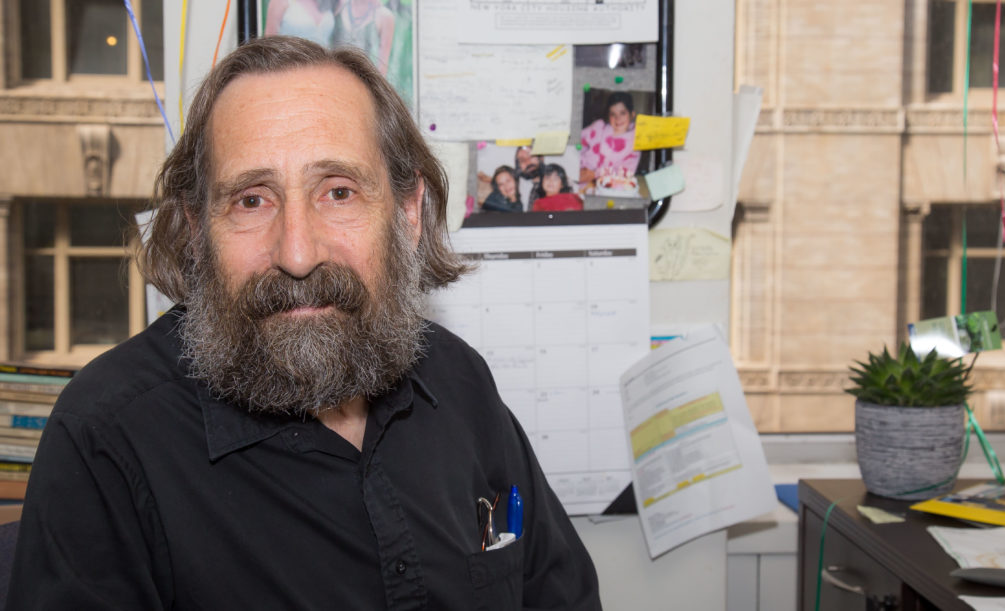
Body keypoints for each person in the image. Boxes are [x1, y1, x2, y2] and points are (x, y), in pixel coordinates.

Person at [7, 37, 601, 610]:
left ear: (409, 213)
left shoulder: (461, 381)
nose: (296, 252)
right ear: (195, 231)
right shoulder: (105, 438)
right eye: (251, 200)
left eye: (338, 192)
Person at [579, 91, 641, 195]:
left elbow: (625, 174)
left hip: (607, 188)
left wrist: (595, 174)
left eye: (622, 113)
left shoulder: (635, 142)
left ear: (632, 114)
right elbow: (578, 143)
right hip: (579, 176)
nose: (618, 118)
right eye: (613, 114)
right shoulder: (599, 127)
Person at [335, 0, 395, 75]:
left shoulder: (384, 15)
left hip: (368, 81)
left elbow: (383, 66)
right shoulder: (339, 6)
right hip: (337, 77)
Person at [265, 0, 339, 48]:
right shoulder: (280, 2)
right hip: (291, 66)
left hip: (324, 65)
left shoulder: (328, 2)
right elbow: (269, 42)